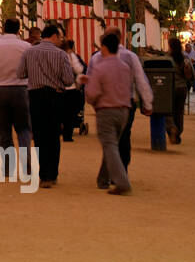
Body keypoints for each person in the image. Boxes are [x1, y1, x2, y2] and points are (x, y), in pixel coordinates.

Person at [19, 23, 77, 187]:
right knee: (53, 135)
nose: (60, 40)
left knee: (39, 135)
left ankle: (44, 174)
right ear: (53, 36)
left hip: (35, 96)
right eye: (60, 37)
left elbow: (20, 73)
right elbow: (68, 80)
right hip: (55, 96)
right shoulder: (61, 54)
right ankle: (52, 174)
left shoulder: (29, 52)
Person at [87, 27, 153, 170]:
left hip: (104, 105)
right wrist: (147, 103)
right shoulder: (130, 56)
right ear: (120, 38)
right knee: (124, 138)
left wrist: (92, 102)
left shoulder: (97, 57)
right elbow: (141, 80)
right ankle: (122, 169)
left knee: (109, 141)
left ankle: (111, 173)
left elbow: (90, 82)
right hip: (126, 104)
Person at [0, 18, 32, 178]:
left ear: (3, 28)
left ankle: (8, 166)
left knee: (4, 130)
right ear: (18, 30)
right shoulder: (26, 47)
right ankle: (26, 163)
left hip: (0, 90)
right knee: (23, 128)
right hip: (21, 89)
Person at [85, 32, 135, 195]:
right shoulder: (125, 67)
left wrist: (91, 100)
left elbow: (92, 93)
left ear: (104, 47)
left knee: (110, 145)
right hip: (124, 110)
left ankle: (122, 182)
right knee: (112, 144)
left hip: (106, 110)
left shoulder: (100, 67)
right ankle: (103, 179)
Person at [167, 37, 195, 146]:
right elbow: (192, 74)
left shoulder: (167, 58)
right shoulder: (185, 58)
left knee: (168, 111)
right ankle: (178, 131)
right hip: (182, 88)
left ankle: (172, 128)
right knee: (179, 112)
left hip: (170, 88)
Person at [62, 38, 87, 141]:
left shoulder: (54, 54)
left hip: (57, 88)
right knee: (71, 112)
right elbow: (79, 69)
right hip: (71, 87)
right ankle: (68, 134)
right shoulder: (71, 56)